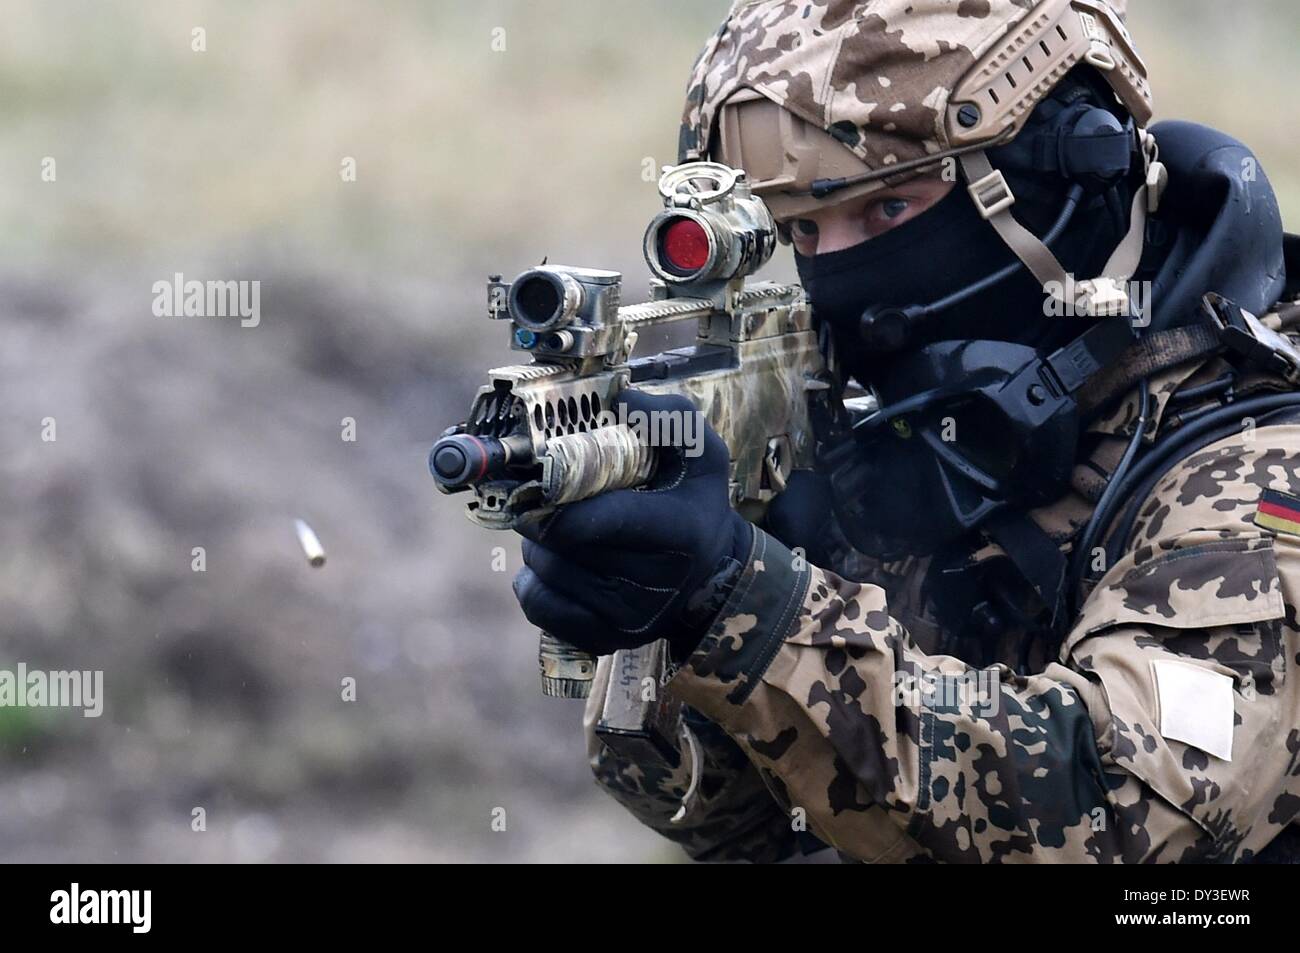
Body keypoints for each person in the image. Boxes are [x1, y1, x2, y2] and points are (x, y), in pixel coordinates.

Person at [511, 0, 1300, 862]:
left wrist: (749, 607)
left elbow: (1109, 822)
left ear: (1058, 182)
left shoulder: (1259, 471)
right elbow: (756, 829)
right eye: (802, 231)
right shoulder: (932, 435)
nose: (845, 275)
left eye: (888, 211)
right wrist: (667, 624)